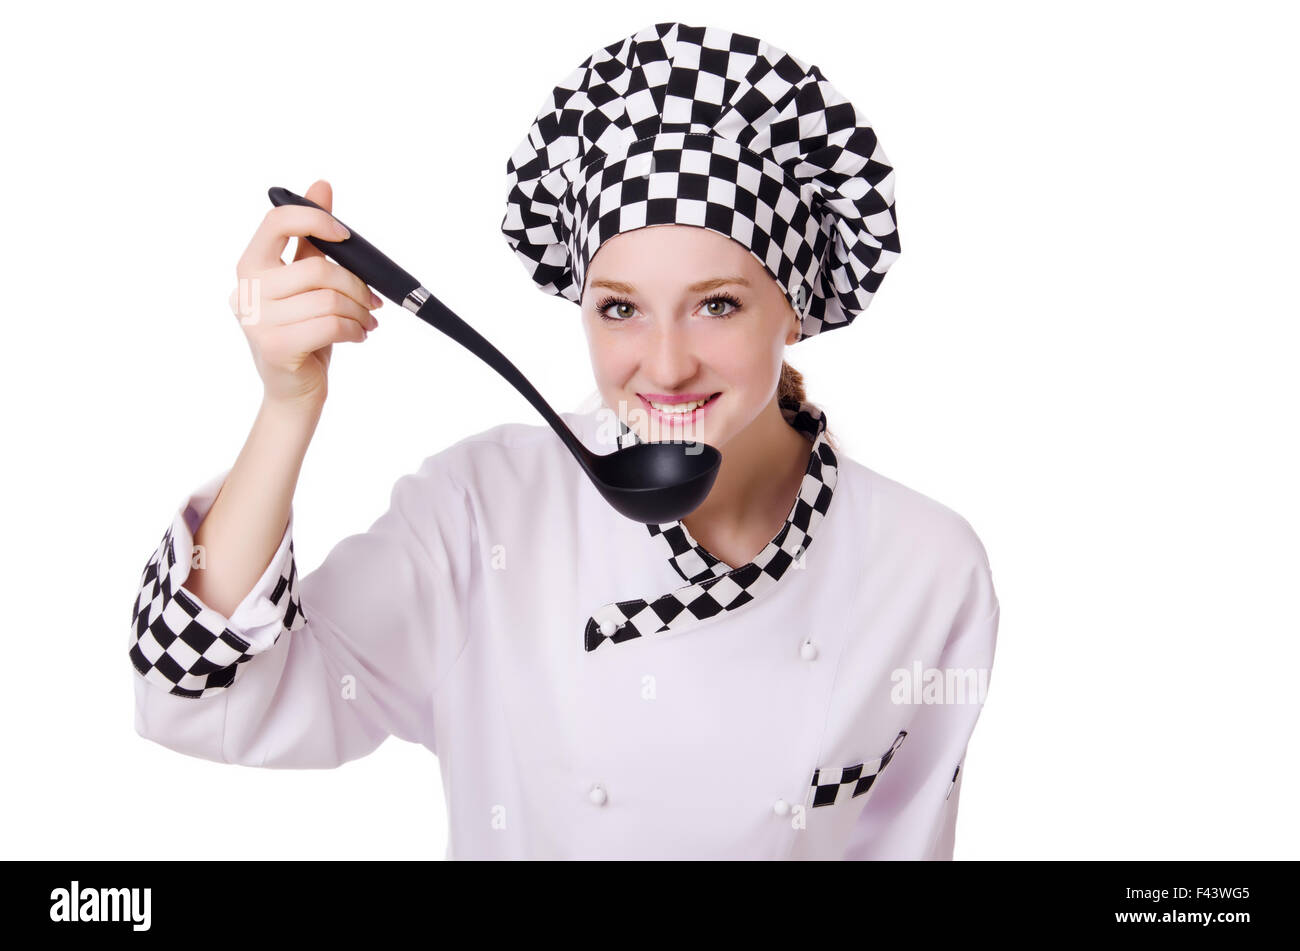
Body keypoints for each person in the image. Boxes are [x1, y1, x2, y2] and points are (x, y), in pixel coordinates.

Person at [128, 21, 999, 860]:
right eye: (620, 307)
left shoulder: (924, 567)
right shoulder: (487, 512)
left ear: (796, 309)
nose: (665, 363)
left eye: (718, 304)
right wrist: (287, 404)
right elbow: (206, 699)